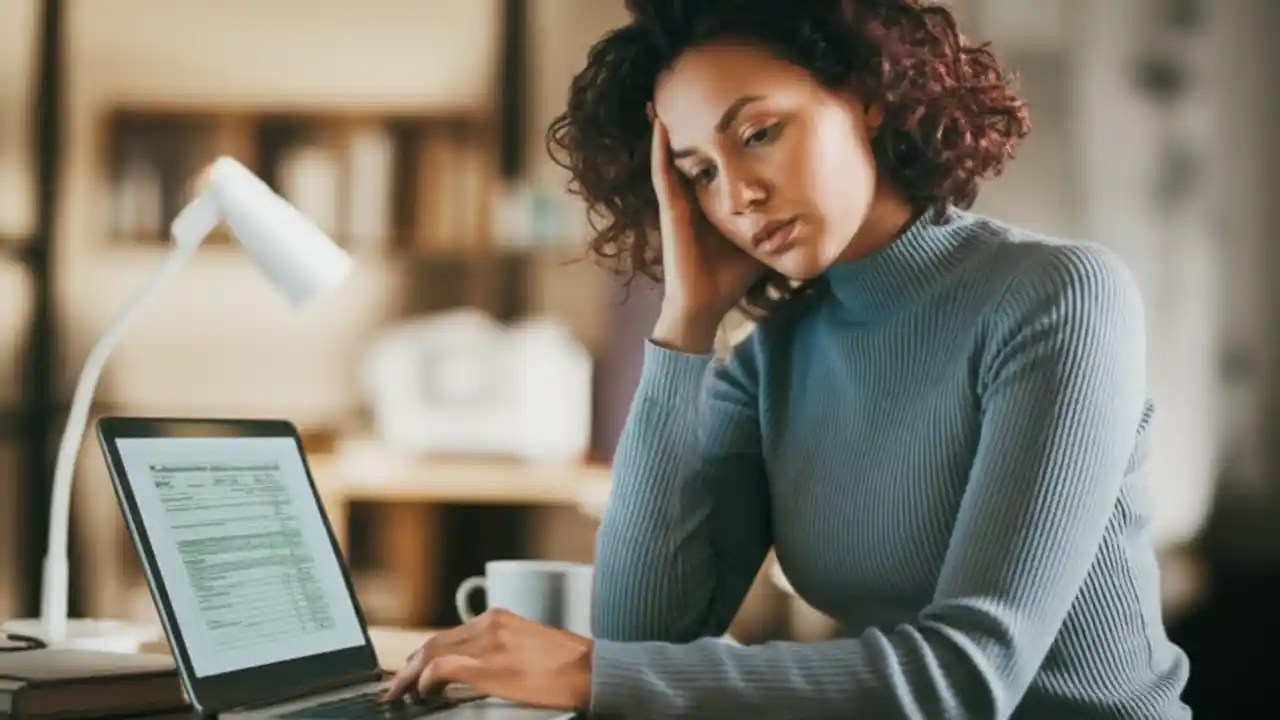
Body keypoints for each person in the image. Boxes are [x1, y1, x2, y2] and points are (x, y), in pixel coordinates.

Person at [382, 0, 1192, 716]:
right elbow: (646, 634)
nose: (736, 196)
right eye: (699, 173)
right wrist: (686, 324)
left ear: (868, 95)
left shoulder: (1058, 296)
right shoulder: (768, 359)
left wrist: (593, 669)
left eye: (759, 134)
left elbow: (968, 679)